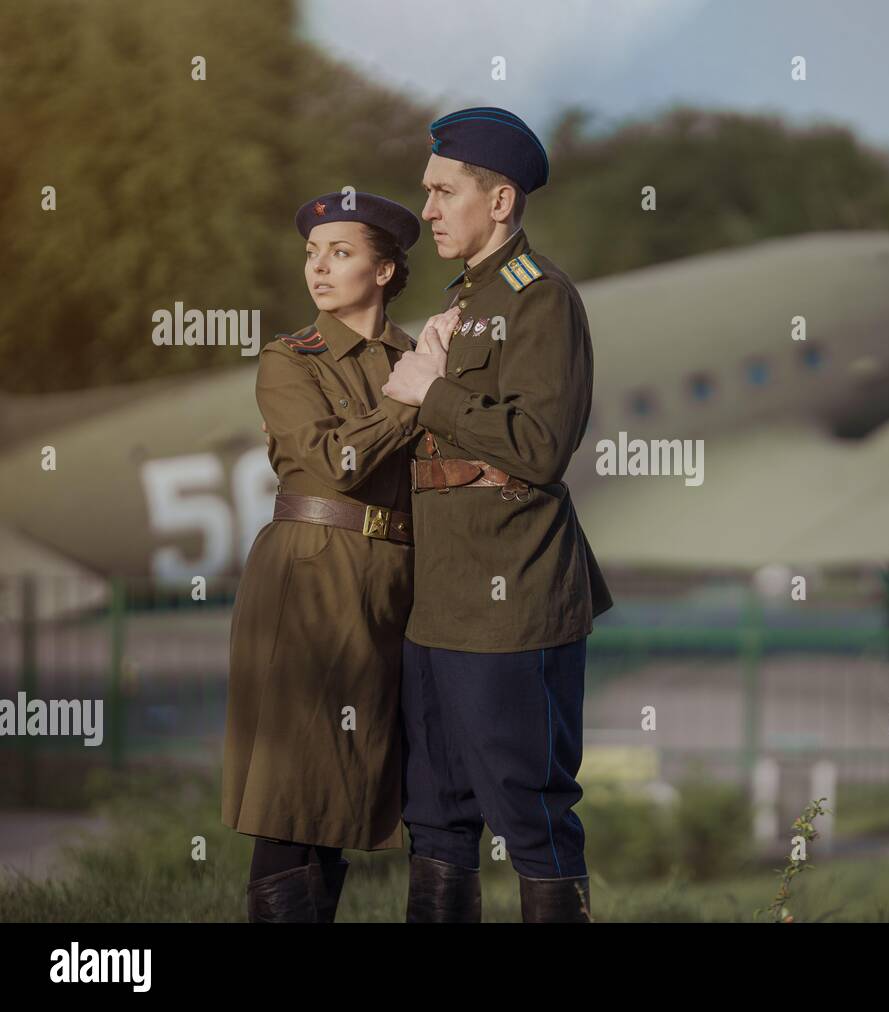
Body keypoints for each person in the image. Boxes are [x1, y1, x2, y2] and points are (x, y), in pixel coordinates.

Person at [382, 106, 614, 923]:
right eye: (428, 193)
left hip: (511, 600)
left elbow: (540, 445)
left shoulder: (540, 299)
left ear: (502, 199)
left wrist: (431, 392)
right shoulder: (465, 300)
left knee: (531, 817)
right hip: (439, 604)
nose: (429, 211)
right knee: (437, 822)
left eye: (445, 192)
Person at [221, 190, 461, 922]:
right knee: (294, 794)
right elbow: (335, 461)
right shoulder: (290, 361)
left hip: (394, 584)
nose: (318, 269)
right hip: (312, 574)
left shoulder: (417, 359)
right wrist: (413, 396)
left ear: (385, 270)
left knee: (347, 791)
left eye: (341, 252)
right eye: (312, 255)